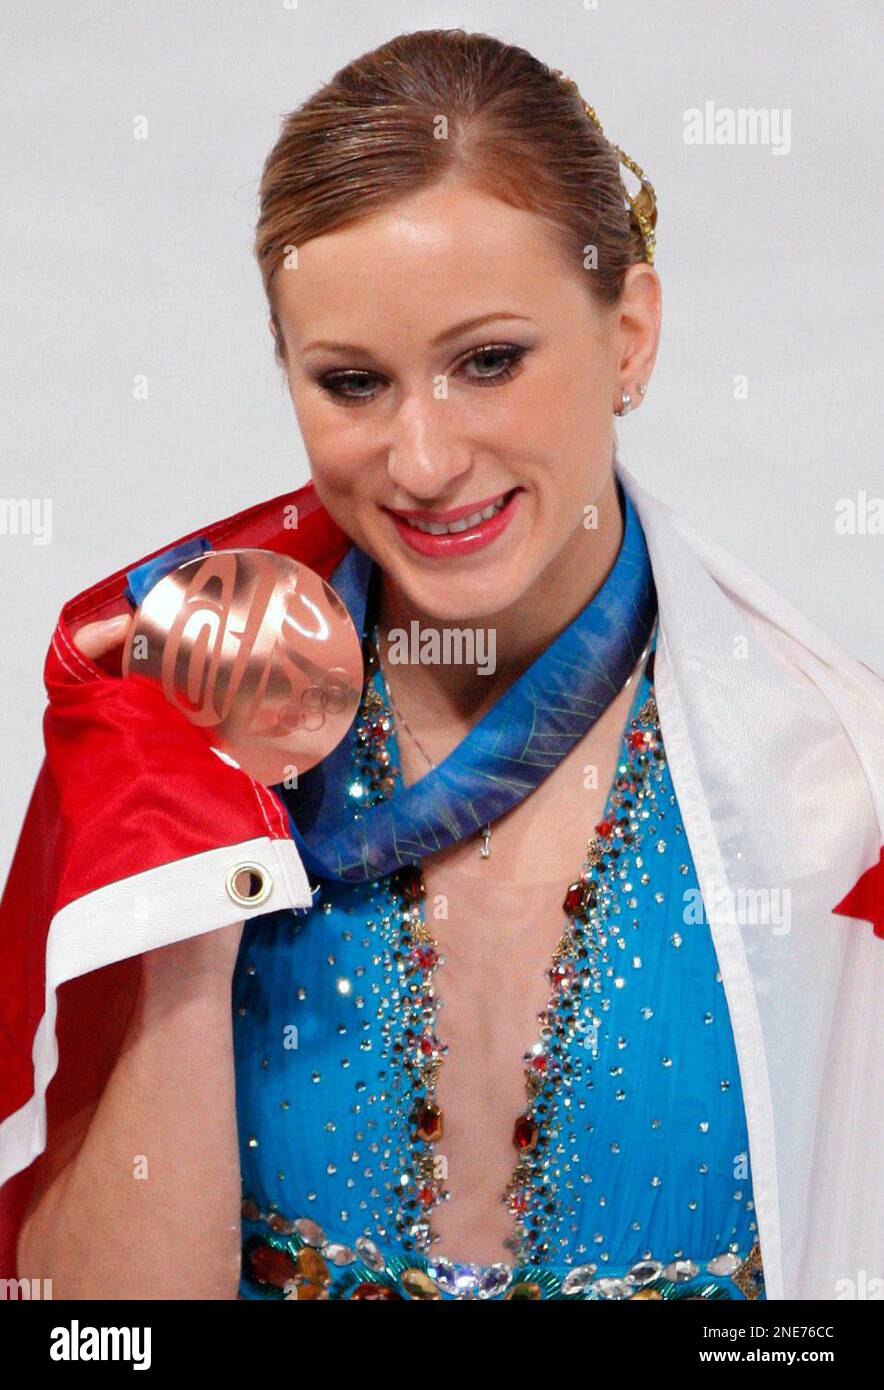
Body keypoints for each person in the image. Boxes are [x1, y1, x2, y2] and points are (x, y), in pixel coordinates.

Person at [1, 29, 881, 1302]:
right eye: (353, 381)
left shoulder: (836, 799)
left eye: (487, 361)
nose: (420, 461)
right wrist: (179, 845)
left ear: (627, 331)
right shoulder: (177, 743)